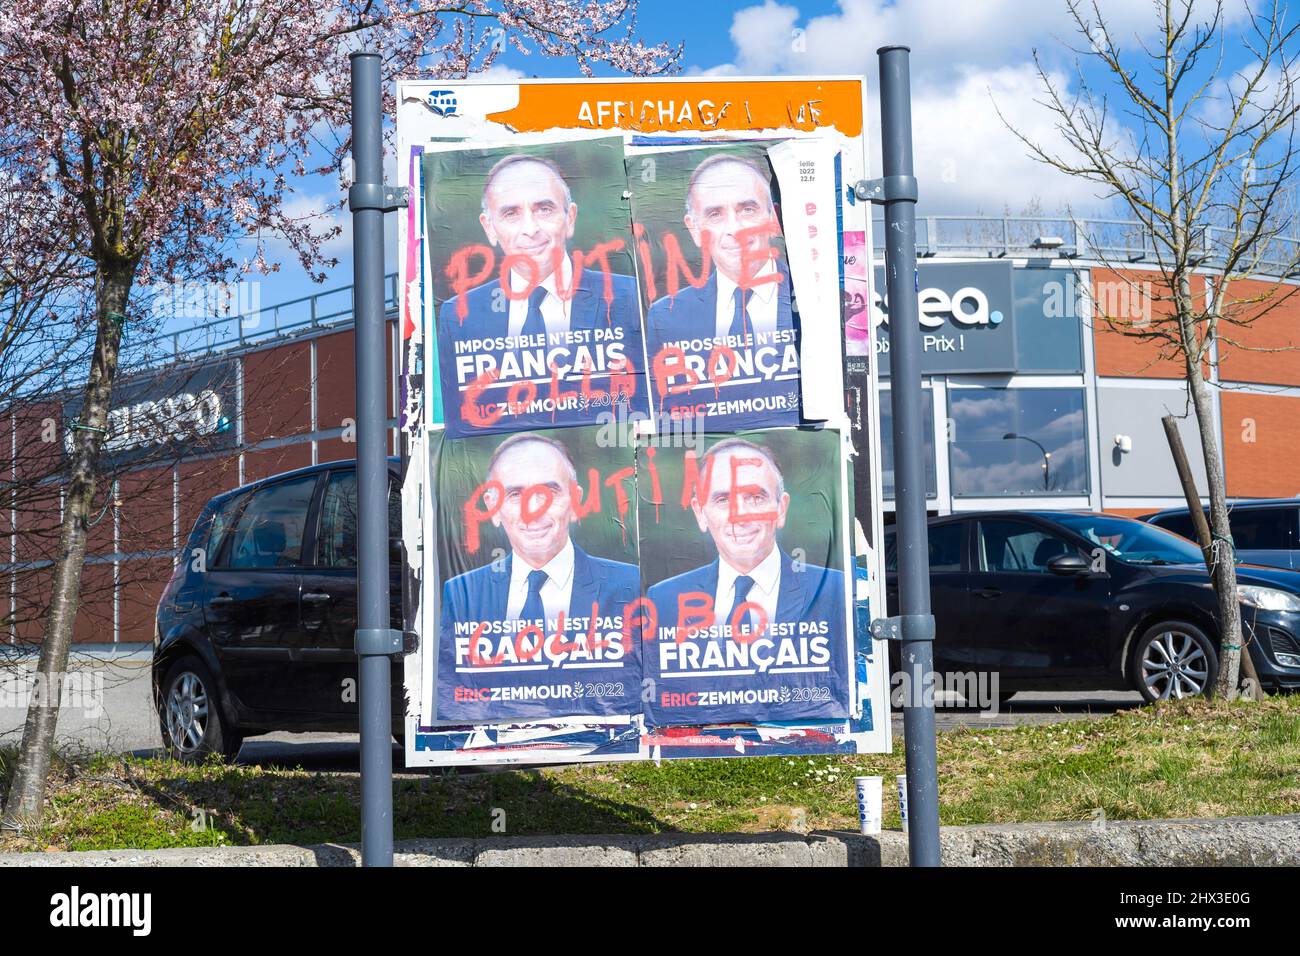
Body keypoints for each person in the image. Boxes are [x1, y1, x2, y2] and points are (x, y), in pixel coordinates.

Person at [646, 438, 843, 640]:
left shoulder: (836, 592)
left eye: (756, 498)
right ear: (700, 513)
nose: (740, 515)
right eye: (723, 500)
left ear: (781, 508)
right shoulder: (664, 601)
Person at [440, 433, 639, 630]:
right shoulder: (463, 595)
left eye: (549, 493)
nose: (533, 510)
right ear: (493, 508)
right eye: (515, 494)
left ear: (576, 502)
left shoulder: (628, 586)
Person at [441, 153, 640, 342]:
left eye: (544, 210)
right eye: (511, 214)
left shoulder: (630, 297)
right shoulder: (459, 315)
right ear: (489, 228)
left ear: (570, 218)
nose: (530, 229)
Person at [645, 154, 793, 352]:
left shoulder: (812, 294)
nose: (735, 229)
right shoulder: (666, 317)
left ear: (774, 220)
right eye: (715, 215)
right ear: (695, 230)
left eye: (748, 210)